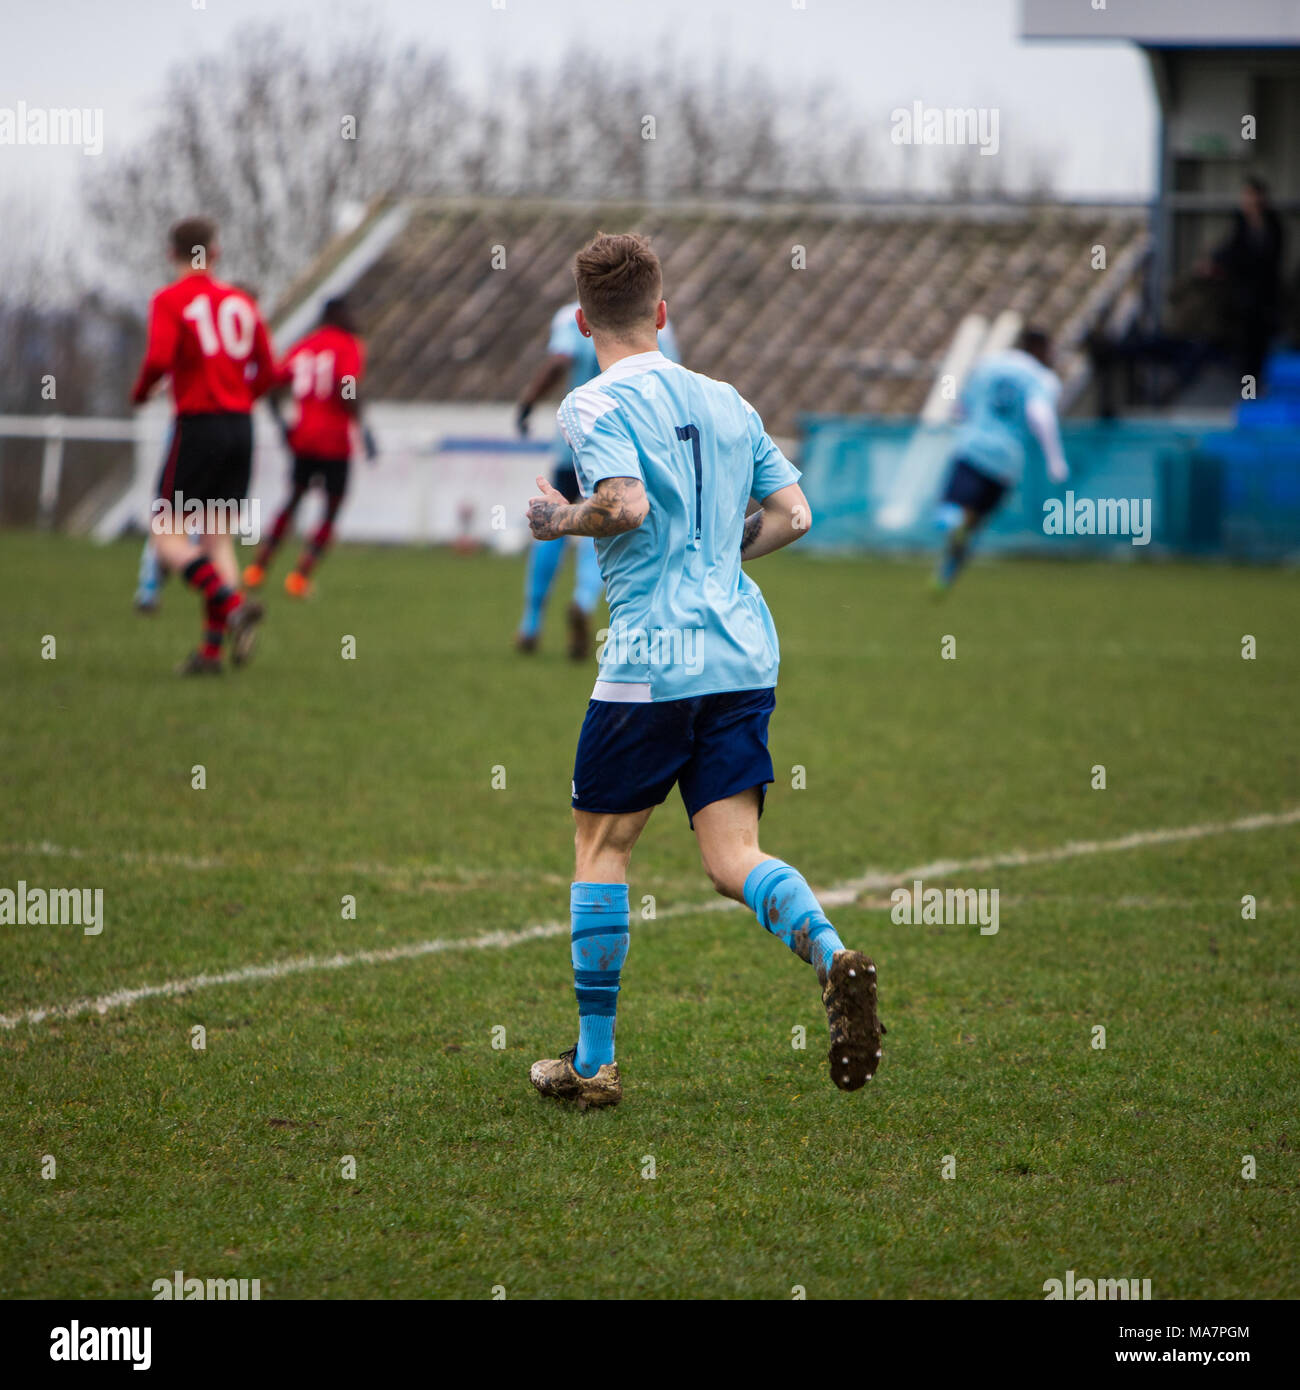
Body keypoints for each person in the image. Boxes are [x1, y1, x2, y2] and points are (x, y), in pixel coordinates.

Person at [524, 233, 883, 1109]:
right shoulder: (726, 399)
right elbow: (794, 514)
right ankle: (834, 955)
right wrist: (719, 560)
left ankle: (595, 1062)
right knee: (734, 857)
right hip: (742, 655)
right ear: (662, 313)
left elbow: (625, 504)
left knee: (602, 847)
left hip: (652, 657)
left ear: (581, 320)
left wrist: (558, 519)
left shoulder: (590, 403)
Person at [130, 218, 272, 673]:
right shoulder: (240, 303)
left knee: (165, 533)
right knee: (216, 538)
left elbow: (157, 358)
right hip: (241, 427)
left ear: (171, 254)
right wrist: (241, 399)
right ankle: (210, 653)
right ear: (217, 252)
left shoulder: (170, 300)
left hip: (199, 425)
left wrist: (140, 392)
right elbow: (270, 368)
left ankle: (230, 602)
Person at [514, 297, 679, 659]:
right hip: (628, 451)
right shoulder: (650, 315)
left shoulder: (573, 316)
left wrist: (528, 401)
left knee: (554, 520)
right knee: (607, 517)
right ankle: (583, 599)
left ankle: (531, 621)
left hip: (575, 442)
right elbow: (669, 381)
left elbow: (560, 360)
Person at [244, 296, 373, 598]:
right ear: (340, 314)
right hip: (334, 440)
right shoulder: (348, 344)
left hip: (303, 437)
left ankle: (258, 568)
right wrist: (361, 424)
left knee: (293, 500)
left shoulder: (305, 345)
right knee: (331, 508)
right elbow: (346, 386)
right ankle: (300, 576)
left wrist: (282, 425)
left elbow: (273, 383)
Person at [932, 327, 1069, 592]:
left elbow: (962, 404)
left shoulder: (989, 365)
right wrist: (1055, 458)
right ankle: (951, 563)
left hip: (972, 448)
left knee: (951, 507)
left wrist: (957, 415)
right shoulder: (1043, 379)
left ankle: (951, 524)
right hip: (1006, 460)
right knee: (975, 521)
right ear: (1038, 349)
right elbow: (1040, 414)